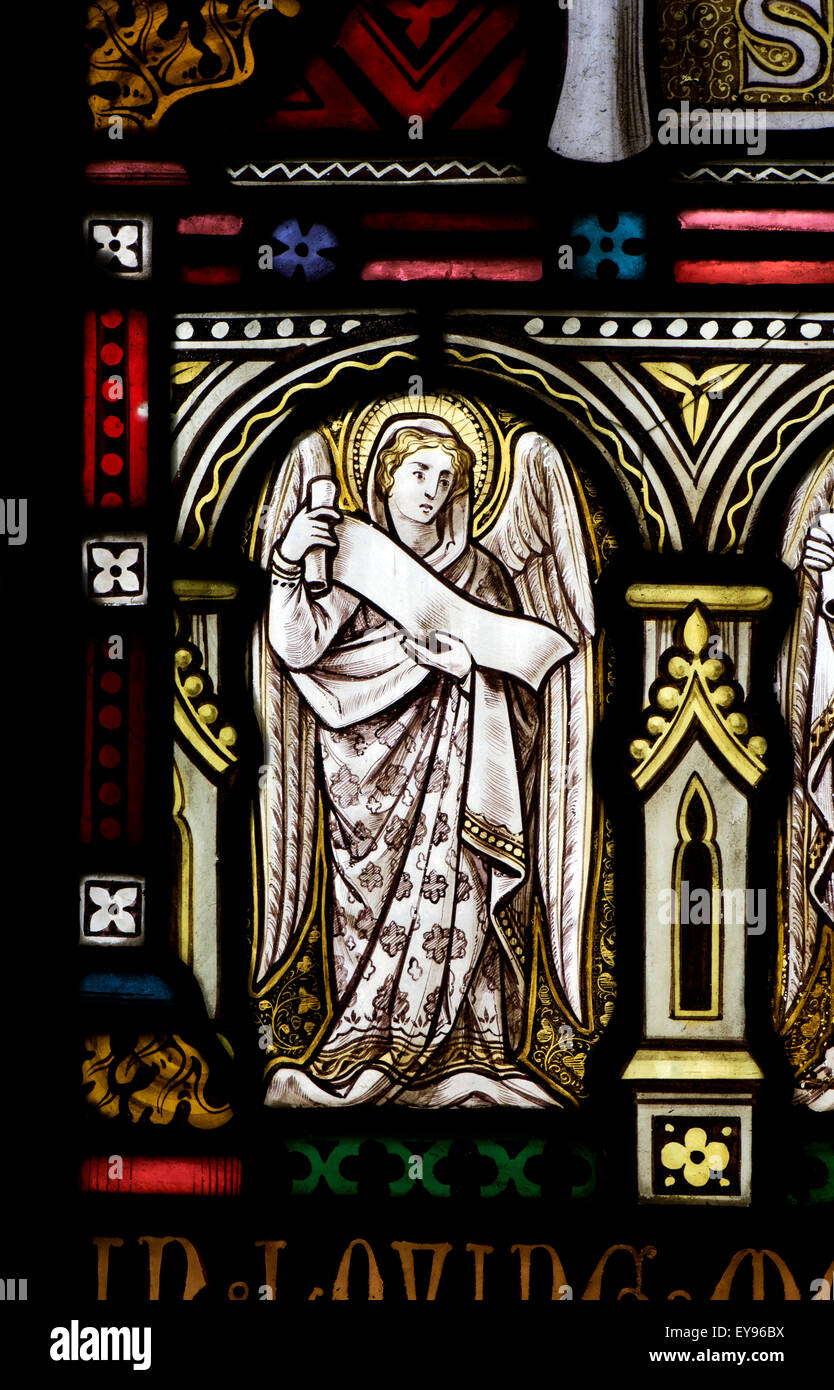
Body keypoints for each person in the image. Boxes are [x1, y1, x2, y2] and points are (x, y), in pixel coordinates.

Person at [262, 417, 569, 1106]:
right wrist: (288, 565)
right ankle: (370, 1044)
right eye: (417, 472)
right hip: (361, 774)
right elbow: (300, 648)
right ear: (386, 476)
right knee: (367, 913)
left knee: (460, 880)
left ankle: (469, 1051)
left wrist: (470, 674)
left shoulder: (480, 573)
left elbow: (526, 701)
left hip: (459, 771)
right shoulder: (350, 559)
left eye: (445, 477)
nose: (431, 490)